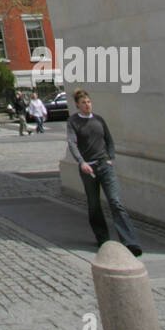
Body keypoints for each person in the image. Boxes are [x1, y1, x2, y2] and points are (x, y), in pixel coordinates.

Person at [67, 90, 142, 255]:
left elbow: (109, 140)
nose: (87, 105)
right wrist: (81, 162)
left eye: (89, 102)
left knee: (115, 202)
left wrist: (110, 157)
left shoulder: (99, 119)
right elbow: (72, 143)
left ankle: (130, 241)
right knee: (94, 204)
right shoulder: (73, 122)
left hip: (104, 165)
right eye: (84, 103)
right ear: (78, 105)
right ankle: (103, 238)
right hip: (88, 168)